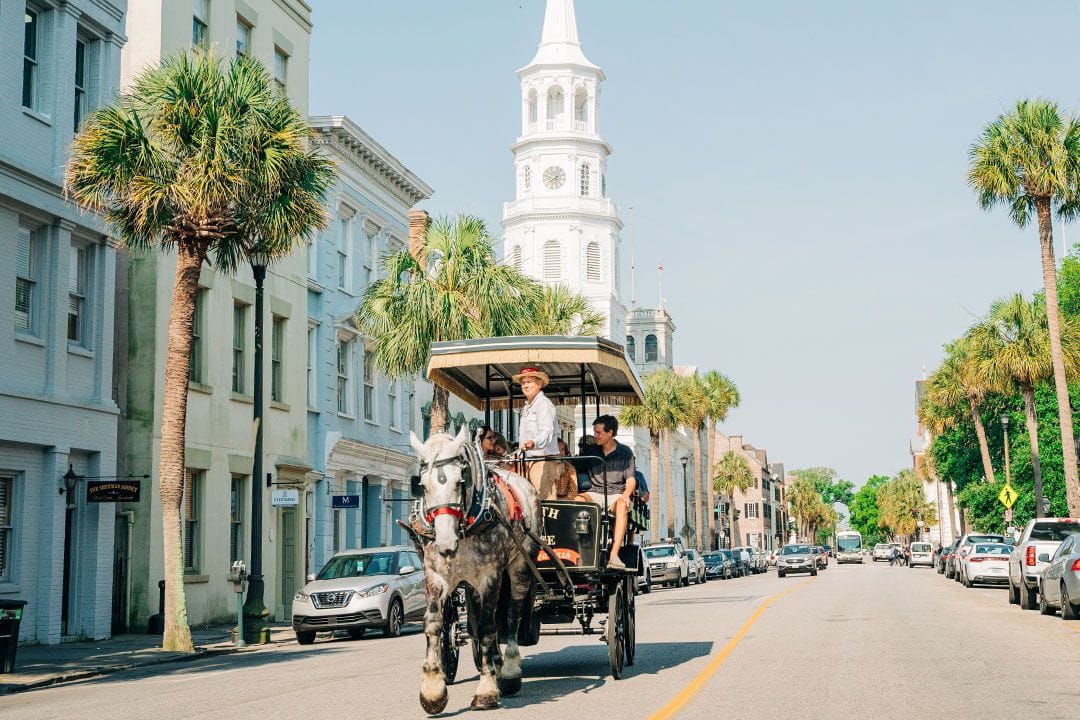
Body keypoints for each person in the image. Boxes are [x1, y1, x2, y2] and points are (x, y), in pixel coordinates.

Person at [575, 414, 636, 569]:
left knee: (622, 505)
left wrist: (625, 496)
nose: (595, 436)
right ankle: (580, 549)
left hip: (616, 493)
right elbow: (574, 469)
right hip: (594, 491)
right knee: (577, 502)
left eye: (599, 432)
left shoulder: (625, 452)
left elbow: (630, 480)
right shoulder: (590, 450)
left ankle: (614, 555)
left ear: (610, 433)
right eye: (594, 432)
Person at [514, 366, 562, 500]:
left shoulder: (544, 405)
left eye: (529, 382)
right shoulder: (527, 406)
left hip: (543, 461)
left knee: (543, 502)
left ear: (539, 384)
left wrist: (534, 442)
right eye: (523, 383)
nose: (525, 385)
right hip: (529, 460)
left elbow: (546, 432)